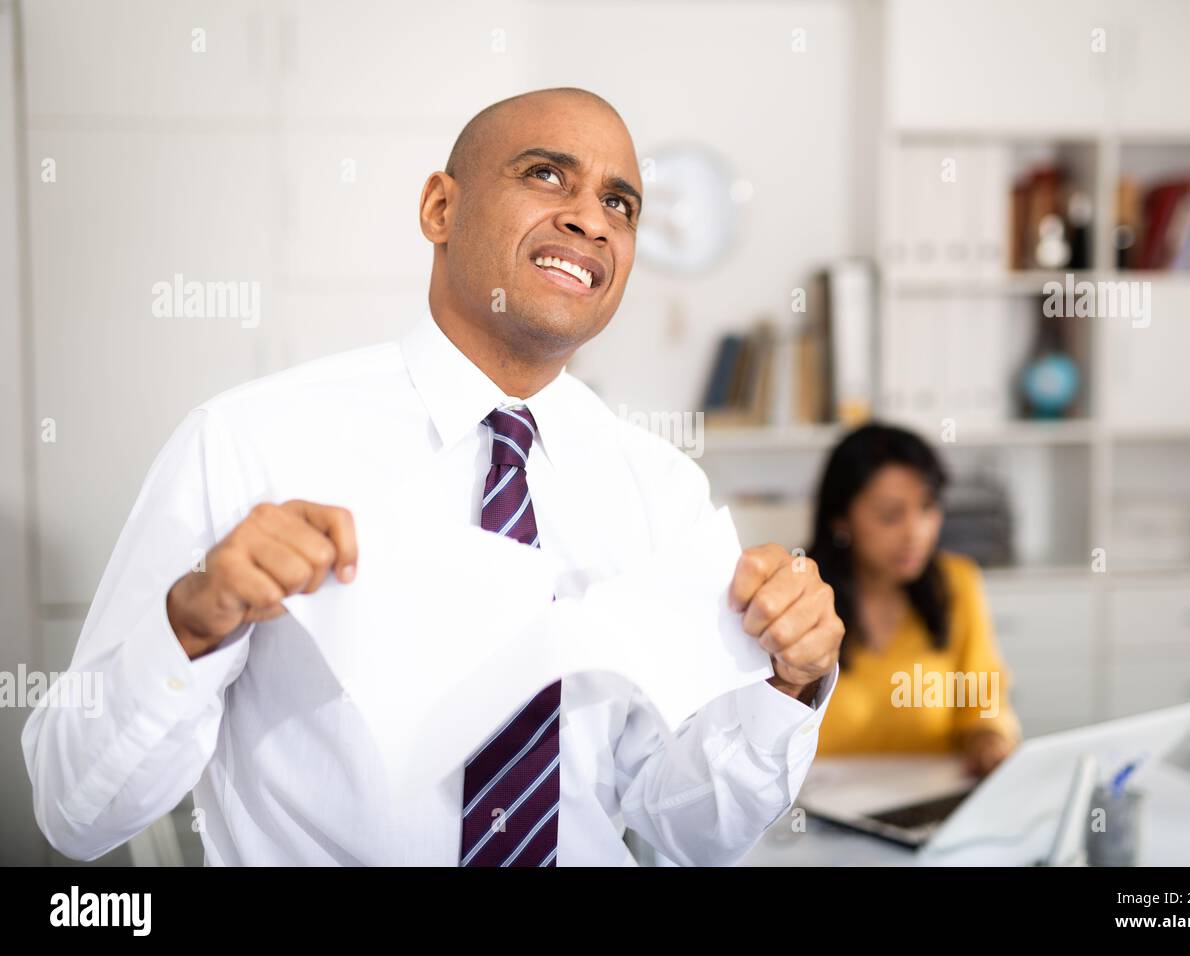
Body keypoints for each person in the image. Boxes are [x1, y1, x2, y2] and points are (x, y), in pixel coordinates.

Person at [22, 87, 844, 866]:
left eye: (620, 204)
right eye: (547, 173)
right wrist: (193, 620)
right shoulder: (247, 442)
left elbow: (686, 833)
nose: (590, 218)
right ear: (440, 209)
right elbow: (75, 814)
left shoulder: (664, 491)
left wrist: (786, 685)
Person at [807, 423, 1019, 777]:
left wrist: (988, 737)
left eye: (927, 508)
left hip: (929, 806)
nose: (916, 533)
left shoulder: (957, 582)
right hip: (813, 817)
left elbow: (985, 702)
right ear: (841, 519)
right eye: (890, 515)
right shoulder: (801, 598)